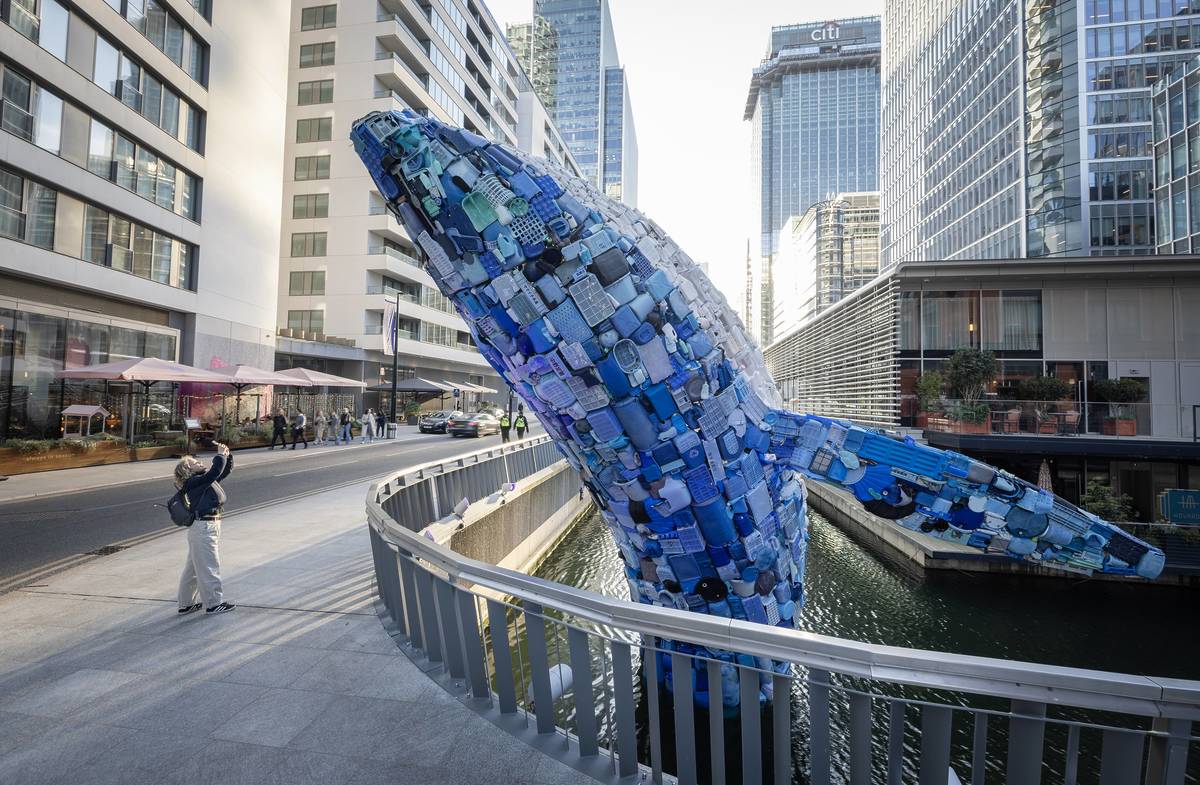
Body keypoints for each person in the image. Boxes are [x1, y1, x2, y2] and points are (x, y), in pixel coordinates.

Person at [175, 444, 235, 615]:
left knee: (193, 568)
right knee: (209, 565)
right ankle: (214, 603)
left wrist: (227, 456)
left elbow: (221, 472)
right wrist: (219, 456)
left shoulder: (204, 480)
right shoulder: (193, 482)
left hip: (204, 527)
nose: (199, 463)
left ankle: (185, 604)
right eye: (195, 463)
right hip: (204, 528)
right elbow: (216, 470)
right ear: (188, 470)